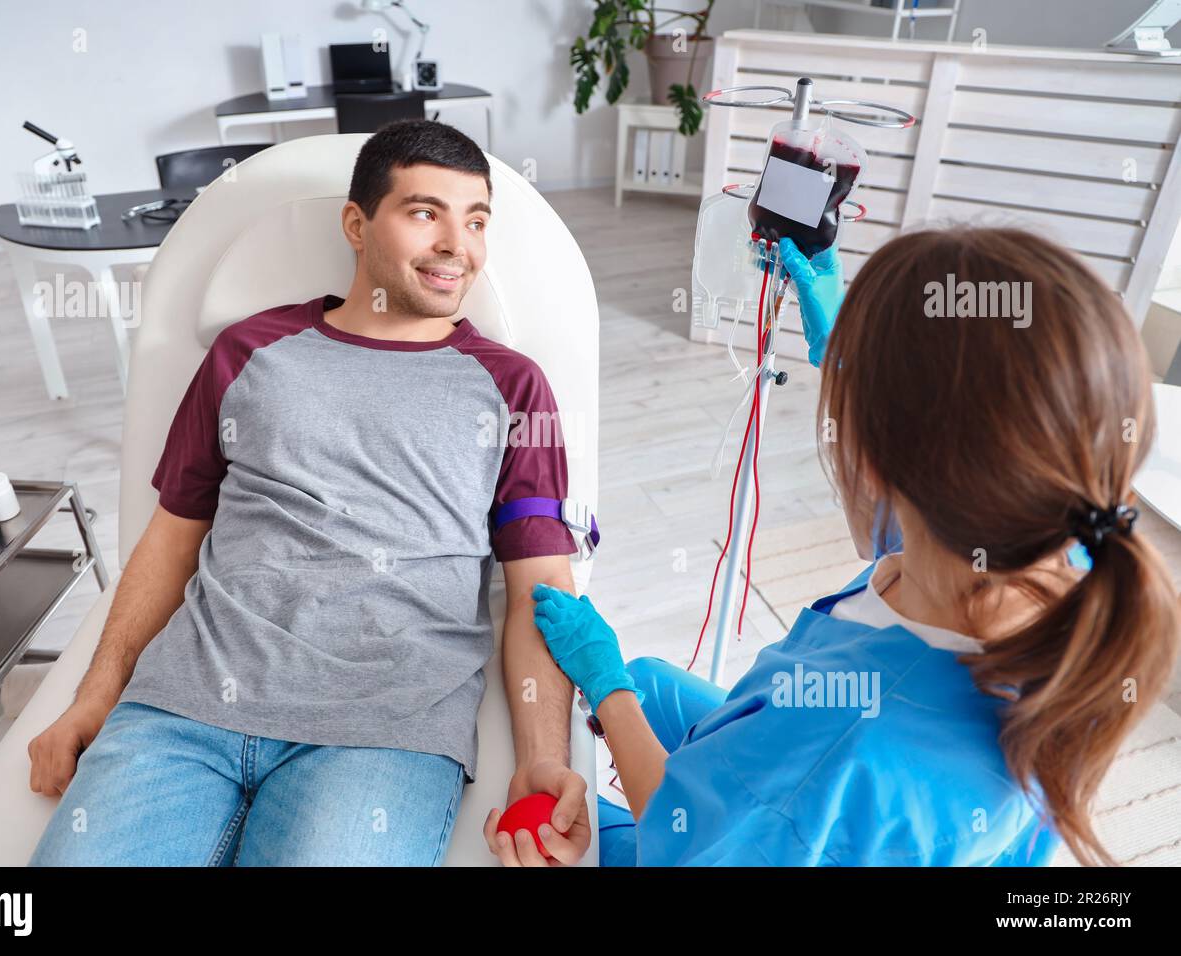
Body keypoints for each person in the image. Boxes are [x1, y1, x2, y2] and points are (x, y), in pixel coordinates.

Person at [506, 227, 1180, 866]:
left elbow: (686, 840)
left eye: (846, 413)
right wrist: (841, 347)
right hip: (820, 775)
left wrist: (605, 682)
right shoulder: (1054, 543)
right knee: (651, 679)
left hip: (739, 827)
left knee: (538, 814)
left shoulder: (837, 750)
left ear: (887, 465)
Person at [28, 120, 592, 866]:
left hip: (382, 729)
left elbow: (541, 588)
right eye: (426, 213)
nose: (459, 245)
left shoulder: (513, 388)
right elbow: (170, 536)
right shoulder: (248, 351)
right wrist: (95, 697)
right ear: (357, 224)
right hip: (182, 708)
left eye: (476, 220)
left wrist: (542, 756)